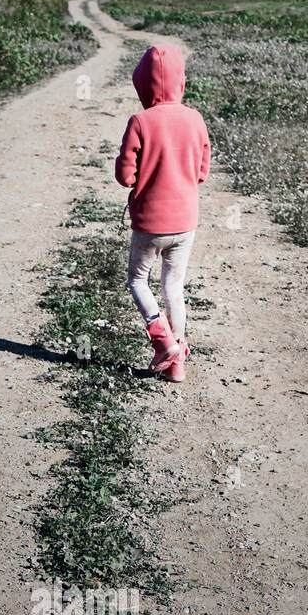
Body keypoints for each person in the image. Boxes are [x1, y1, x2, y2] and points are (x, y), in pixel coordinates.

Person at [115, 44, 210, 383]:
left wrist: (141, 177)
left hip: (149, 224)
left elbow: (125, 176)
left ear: (142, 86)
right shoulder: (195, 118)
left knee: (138, 280)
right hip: (185, 222)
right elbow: (201, 172)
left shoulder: (140, 121)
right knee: (173, 285)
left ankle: (163, 340)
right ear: (180, 83)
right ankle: (177, 364)